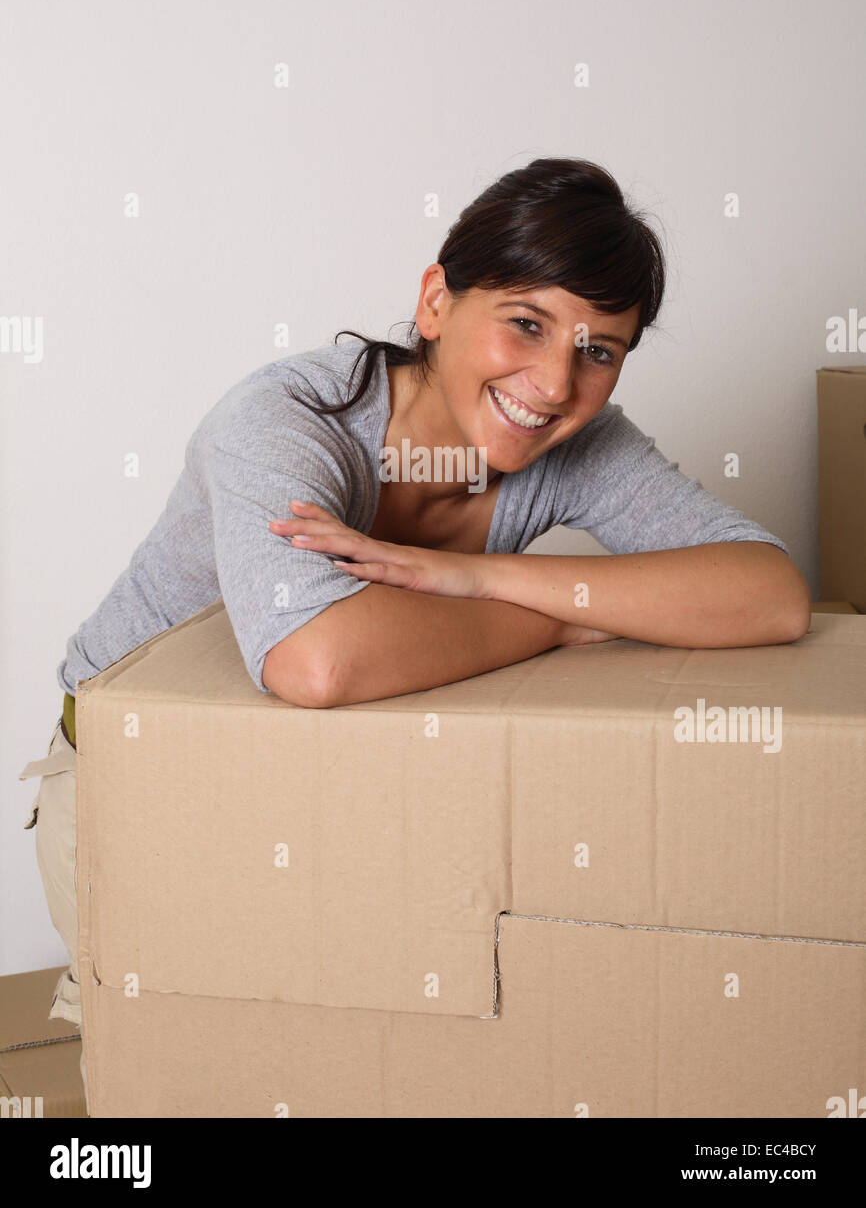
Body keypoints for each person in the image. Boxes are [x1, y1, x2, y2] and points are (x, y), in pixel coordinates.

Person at [20, 157, 811, 1110]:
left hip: (339, 773)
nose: (555, 381)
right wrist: (555, 620)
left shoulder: (573, 449)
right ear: (436, 301)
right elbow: (315, 662)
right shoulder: (286, 419)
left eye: (601, 349)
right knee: (189, 1073)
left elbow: (768, 595)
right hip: (139, 772)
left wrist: (478, 573)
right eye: (526, 322)